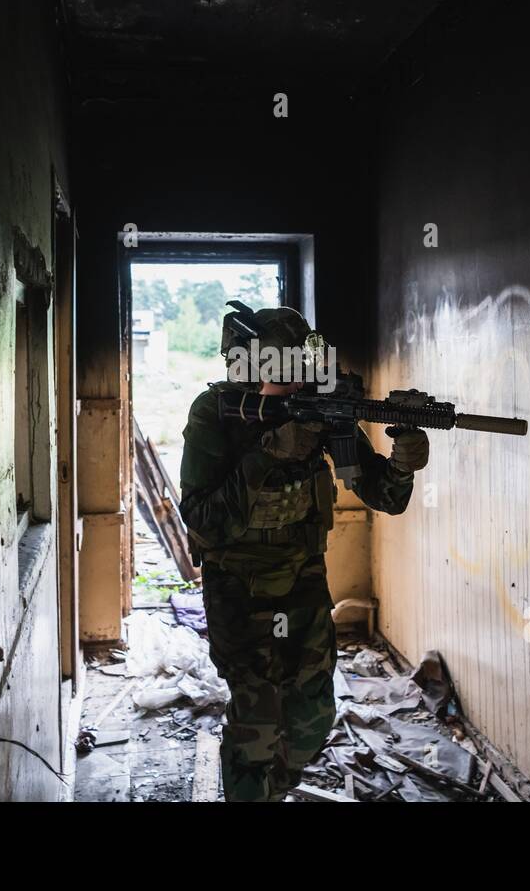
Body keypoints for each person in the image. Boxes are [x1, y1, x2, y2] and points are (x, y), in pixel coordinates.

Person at [178, 304, 430, 801]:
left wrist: (402, 462)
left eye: (298, 368)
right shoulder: (216, 414)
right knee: (257, 722)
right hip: (238, 589)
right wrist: (268, 452)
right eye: (278, 371)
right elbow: (203, 518)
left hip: (304, 583)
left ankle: (274, 787)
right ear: (247, 366)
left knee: (313, 720)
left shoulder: (318, 413)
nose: (293, 383)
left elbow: (384, 497)